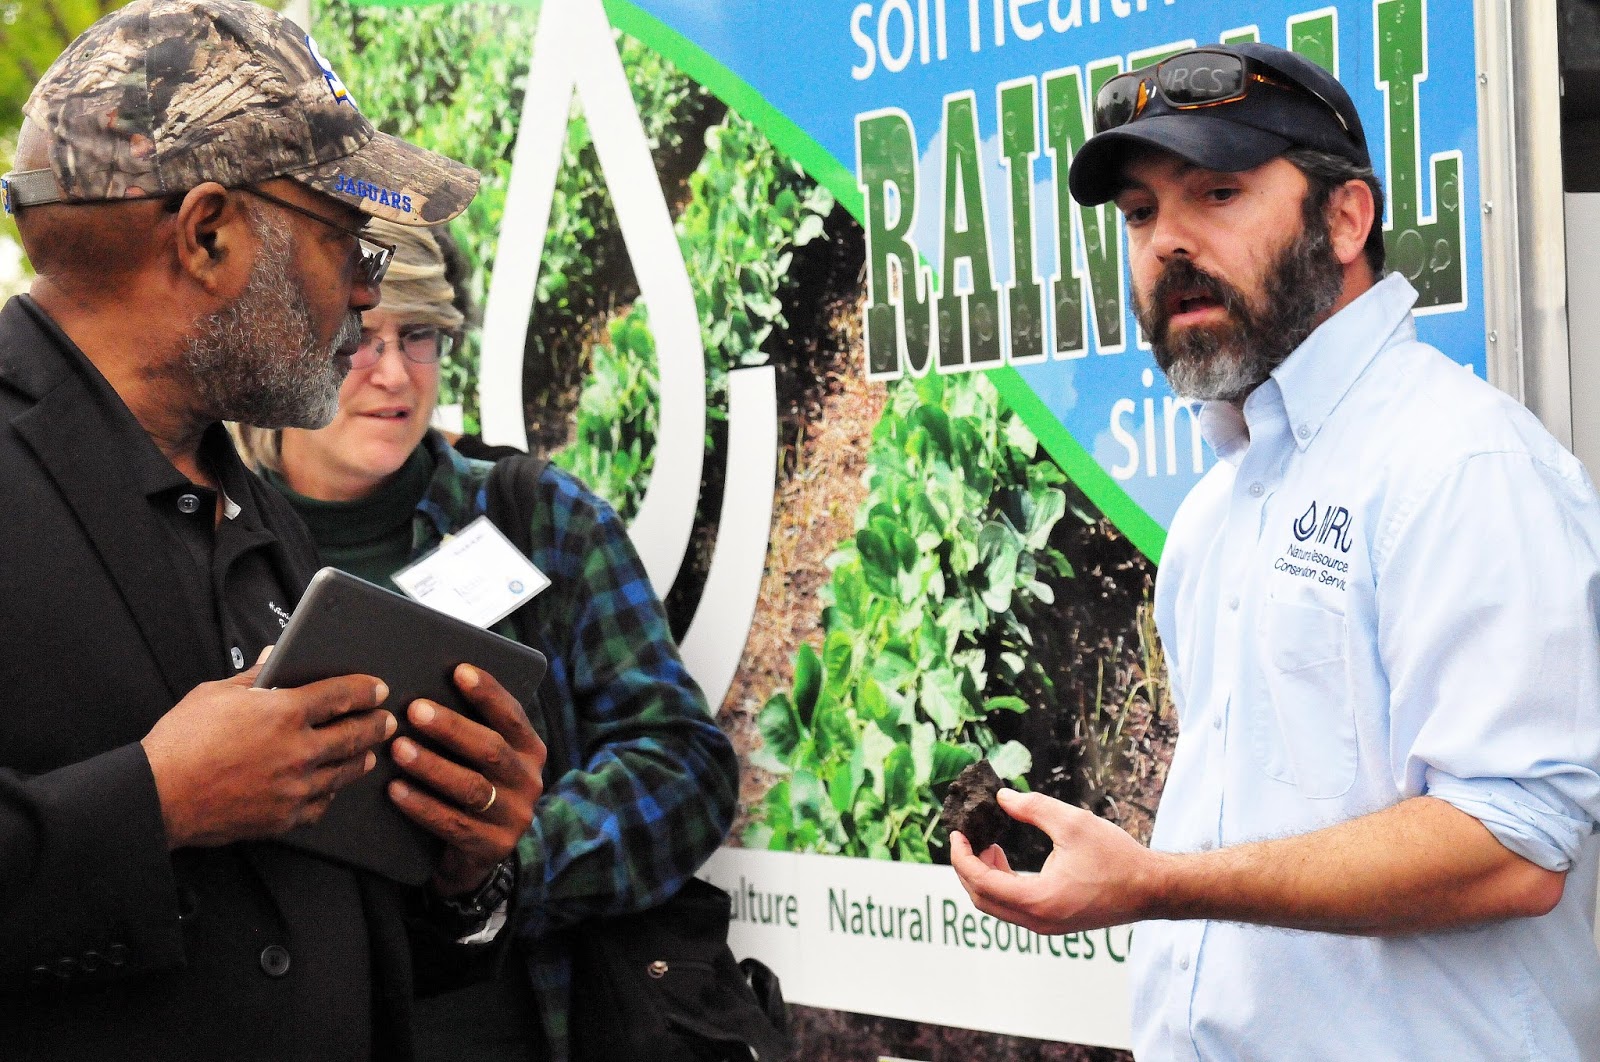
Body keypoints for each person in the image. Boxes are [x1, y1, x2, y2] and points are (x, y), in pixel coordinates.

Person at [951, 42, 1600, 1059]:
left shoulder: (1462, 466)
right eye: (1139, 213)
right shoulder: (1218, 510)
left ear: (1344, 219)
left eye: (1216, 193)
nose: (1167, 242)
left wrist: (1158, 885)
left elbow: (1510, 850)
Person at [0, 2, 547, 1058]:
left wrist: (460, 871)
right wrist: (153, 804)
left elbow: (320, 936)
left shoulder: (253, 506)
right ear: (208, 233)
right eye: (349, 240)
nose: (360, 291)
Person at [234, 219, 740, 1062]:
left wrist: (500, 864)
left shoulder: (539, 520)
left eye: (420, 335)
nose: (394, 374)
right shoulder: (214, 540)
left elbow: (685, 765)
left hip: (520, 1021)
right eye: (358, 334)